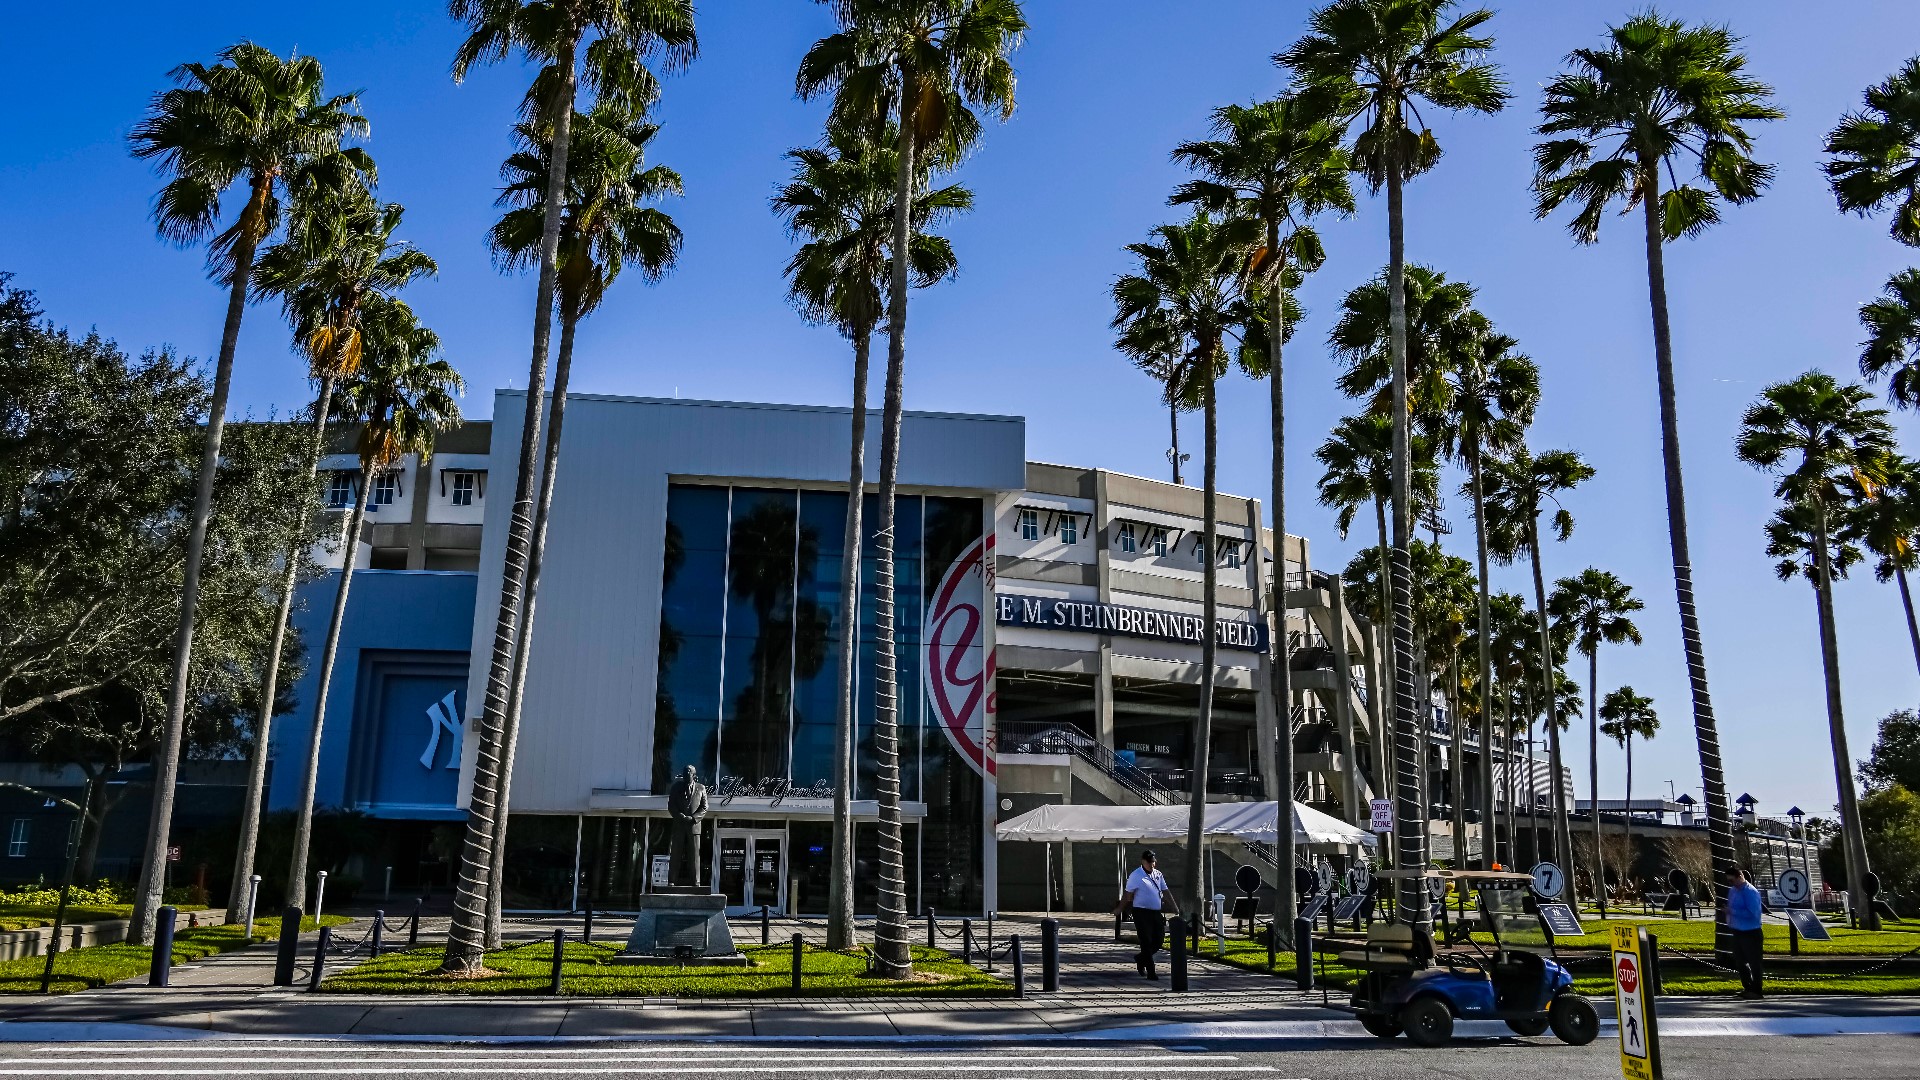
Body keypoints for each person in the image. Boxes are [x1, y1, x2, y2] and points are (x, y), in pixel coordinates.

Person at [1118, 849, 1176, 980]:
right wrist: (1120, 908)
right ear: (1143, 861)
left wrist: (1174, 906)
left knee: (1159, 940)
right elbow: (1128, 894)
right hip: (1141, 912)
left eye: (1153, 862)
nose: (1152, 864)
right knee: (1146, 940)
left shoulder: (1158, 874)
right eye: (1149, 862)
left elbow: (1165, 891)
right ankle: (1151, 972)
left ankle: (1140, 958)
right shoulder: (1136, 875)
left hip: (1155, 912)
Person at [1725, 867, 1765, 998]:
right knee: (1740, 961)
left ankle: (1757, 990)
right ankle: (1748, 987)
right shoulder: (1732, 891)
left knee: (1754, 962)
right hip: (1737, 931)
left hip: (1751, 932)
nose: (1731, 884)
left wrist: (1733, 912)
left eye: (1732, 880)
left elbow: (1754, 914)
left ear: (1740, 877)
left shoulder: (1750, 892)